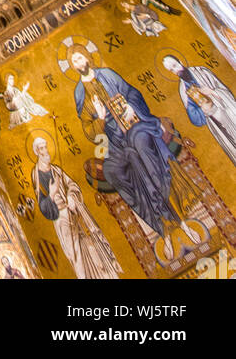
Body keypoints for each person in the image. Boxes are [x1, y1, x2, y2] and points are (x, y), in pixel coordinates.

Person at [70, 47, 201, 262]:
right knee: (113, 170)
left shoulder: (107, 74)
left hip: (135, 125)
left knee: (141, 147)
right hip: (115, 142)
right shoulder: (79, 93)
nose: (79, 61)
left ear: (87, 57)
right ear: (73, 66)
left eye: (80, 56)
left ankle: (180, 220)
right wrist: (100, 119)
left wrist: (131, 107)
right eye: (74, 60)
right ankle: (161, 227)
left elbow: (132, 93)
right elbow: (88, 129)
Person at [30, 135, 121, 278]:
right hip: (61, 218)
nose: (45, 151)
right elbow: (43, 206)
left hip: (74, 211)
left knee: (90, 241)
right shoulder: (37, 175)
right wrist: (52, 195)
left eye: (45, 147)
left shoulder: (56, 170)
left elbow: (72, 184)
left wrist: (71, 197)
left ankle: (103, 274)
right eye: (41, 148)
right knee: (75, 252)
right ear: (36, 152)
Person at [162, 55, 236, 167]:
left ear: (180, 61)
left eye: (175, 65)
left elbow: (226, 91)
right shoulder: (183, 90)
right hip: (214, 121)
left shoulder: (202, 71)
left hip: (228, 111)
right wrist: (202, 110)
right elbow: (195, 119)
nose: (176, 70)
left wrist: (212, 92)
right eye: (171, 70)